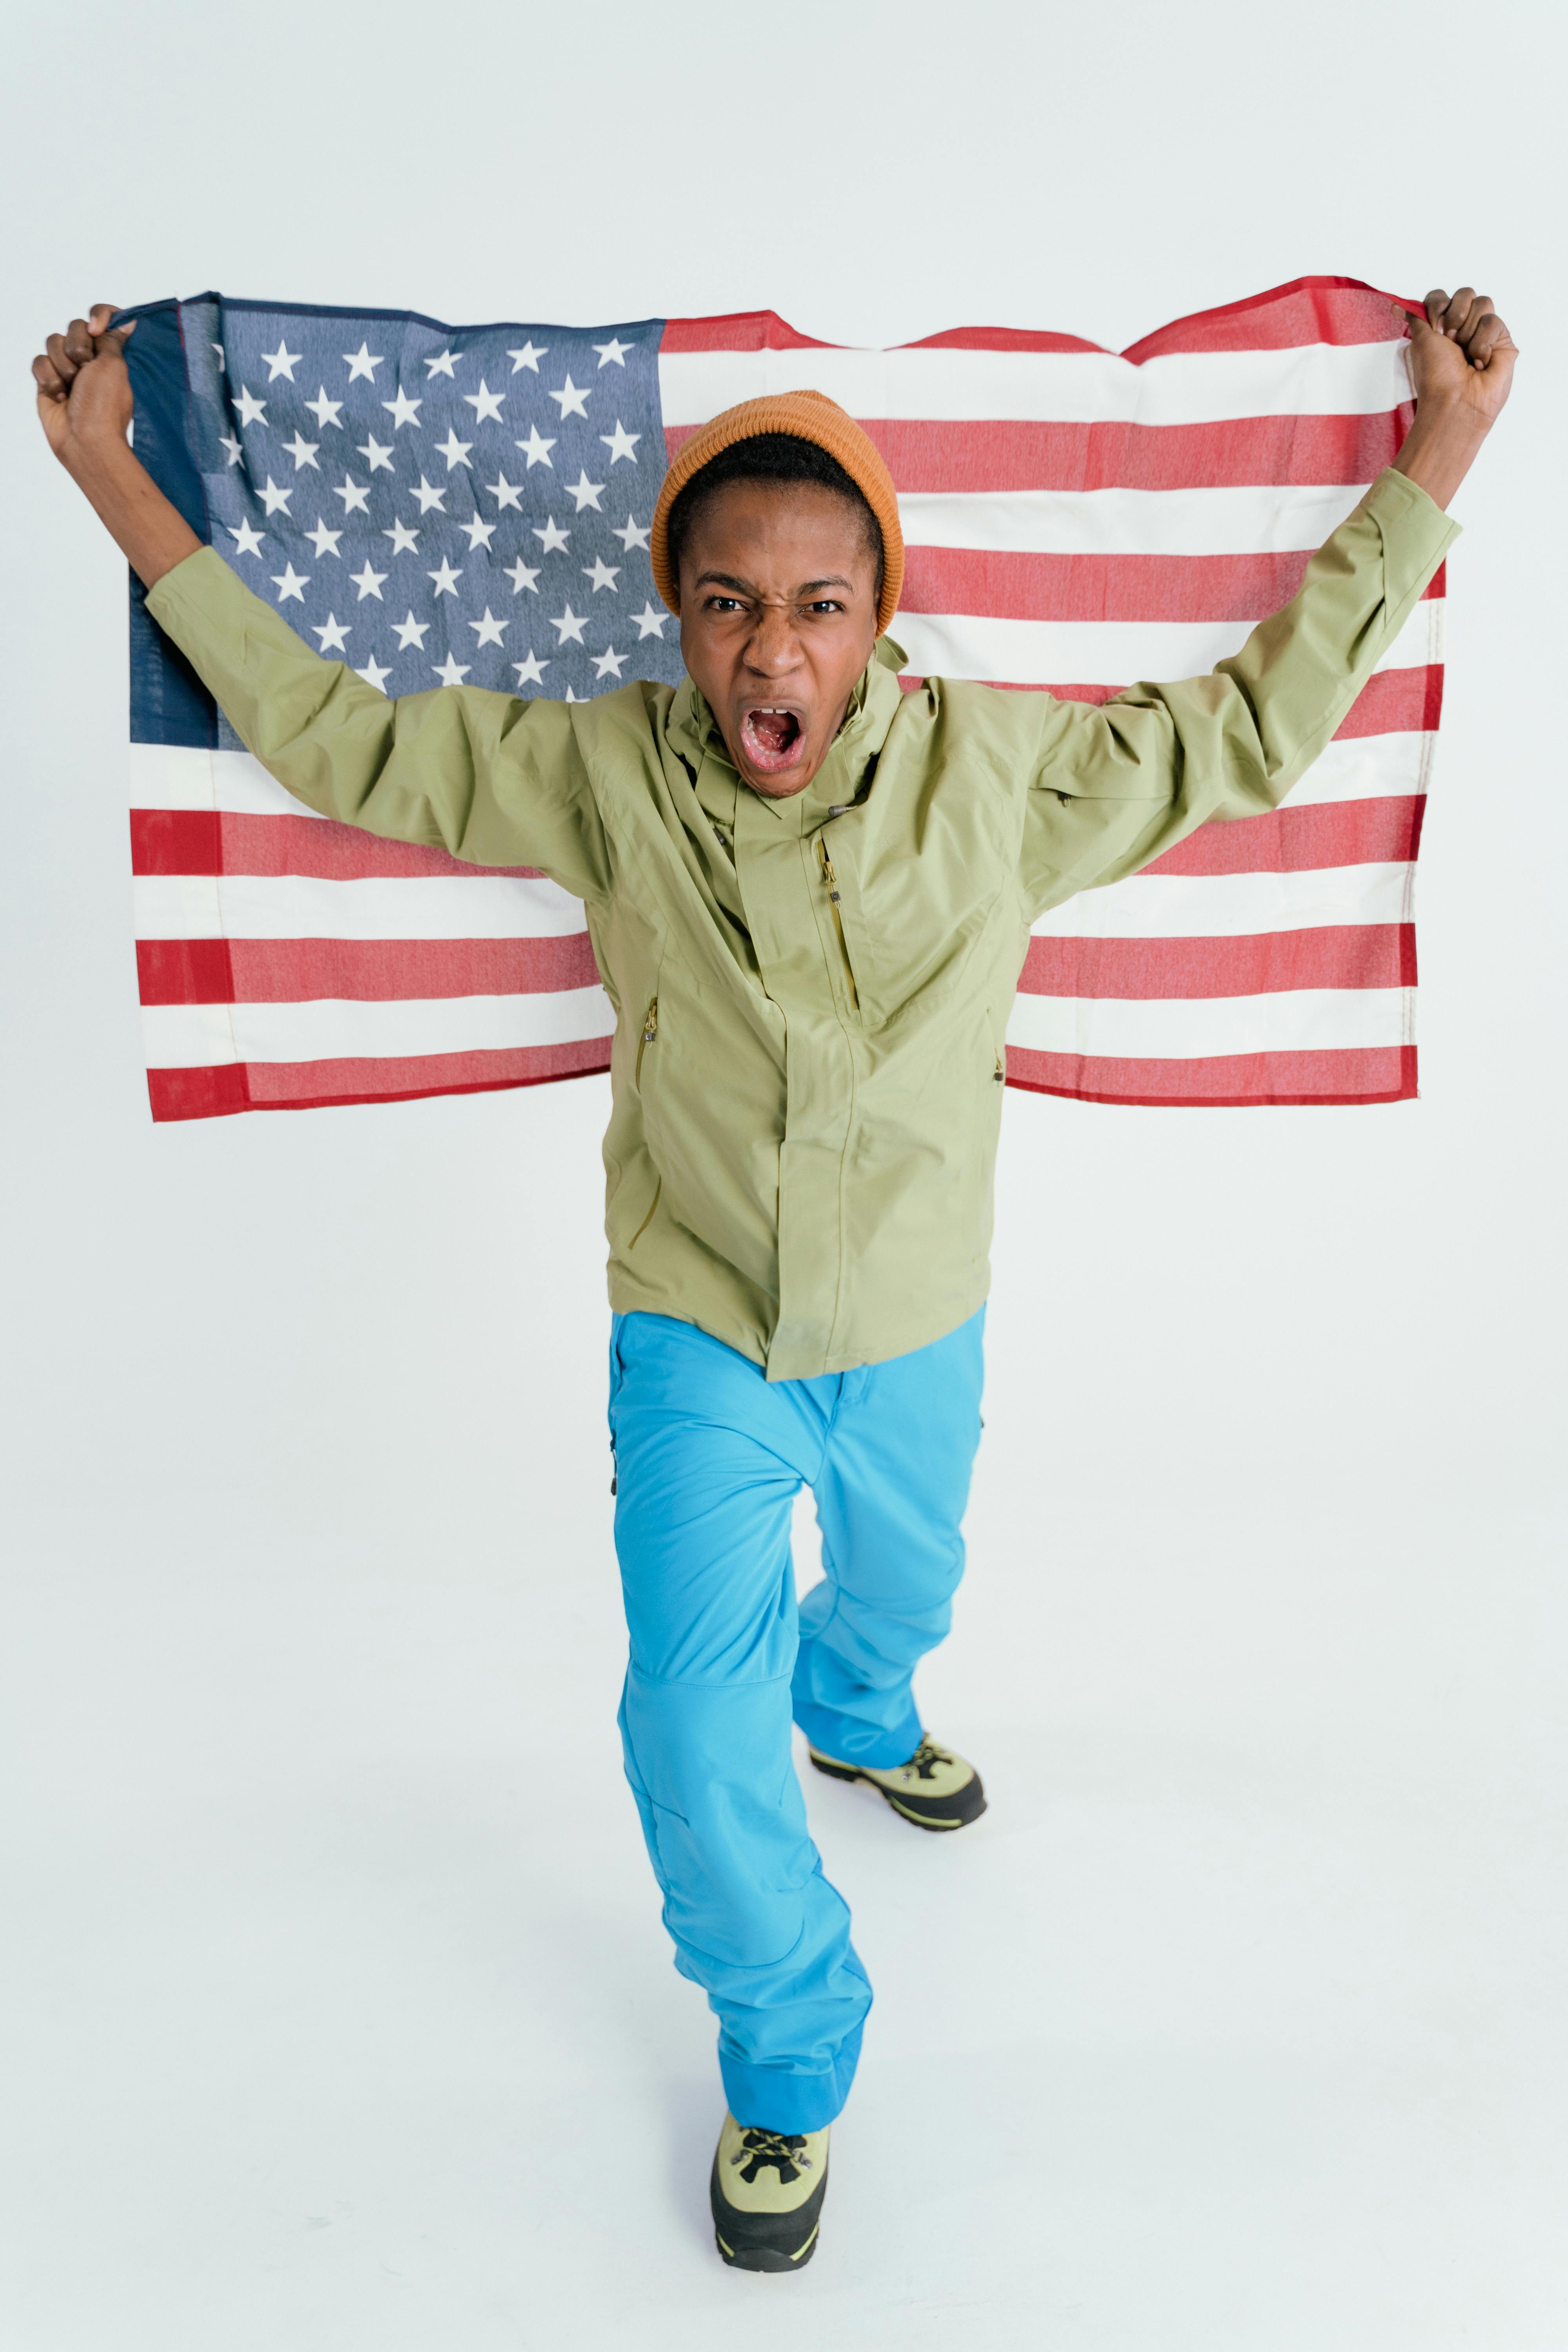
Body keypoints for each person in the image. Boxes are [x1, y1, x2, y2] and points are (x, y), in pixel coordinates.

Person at [34, 286, 1515, 2272]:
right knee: (680, 1718)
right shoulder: (599, 778)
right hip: (697, 1329)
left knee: (901, 1593)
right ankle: (787, 2056)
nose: (770, 645)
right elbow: (336, 739)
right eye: (727, 602)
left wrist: (1442, 454)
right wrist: (117, 478)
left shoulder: (1003, 780)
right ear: (678, 617)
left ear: (877, 620)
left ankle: (868, 1694)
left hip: (915, 1322)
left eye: (816, 604)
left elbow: (1252, 730)